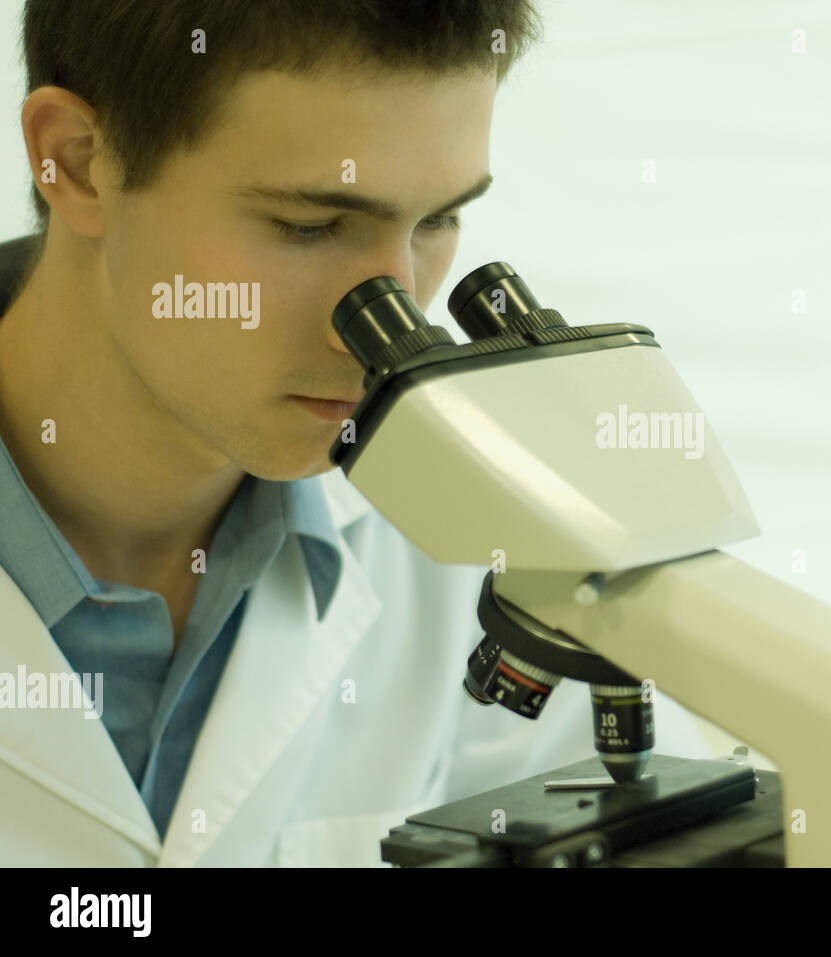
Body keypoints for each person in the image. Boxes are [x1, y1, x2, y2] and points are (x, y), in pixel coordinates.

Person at [0, 0, 710, 867]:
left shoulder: (464, 538)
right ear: (76, 162)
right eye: (312, 226)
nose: (388, 314)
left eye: (438, 221)